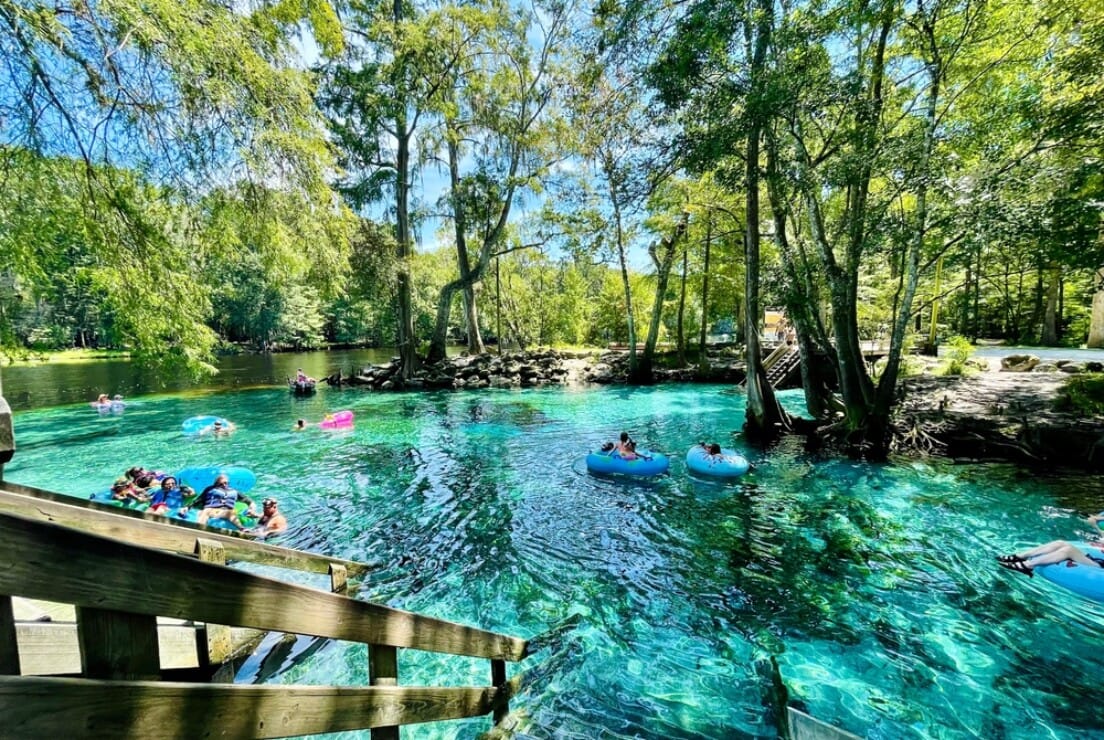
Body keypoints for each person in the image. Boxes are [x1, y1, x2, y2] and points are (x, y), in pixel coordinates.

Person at [182, 474, 256, 530]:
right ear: (216, 484)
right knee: (206, 511)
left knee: (230, 512)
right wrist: (187, 508)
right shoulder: (210, 489)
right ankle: (199, 529)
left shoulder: (234, 491)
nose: (224, 485)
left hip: (225, 512)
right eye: (221, 484)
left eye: (226, 483)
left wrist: (251, 509)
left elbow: (250, 502)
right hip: (211, 510)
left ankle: (242, 529)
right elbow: (197, 501)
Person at [997, 540, 1104, 578]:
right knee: (1060, 543)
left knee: (1068, 550)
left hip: (1099, 568)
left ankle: (1028, 565)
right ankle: (1019, 557)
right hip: (1098, 560)